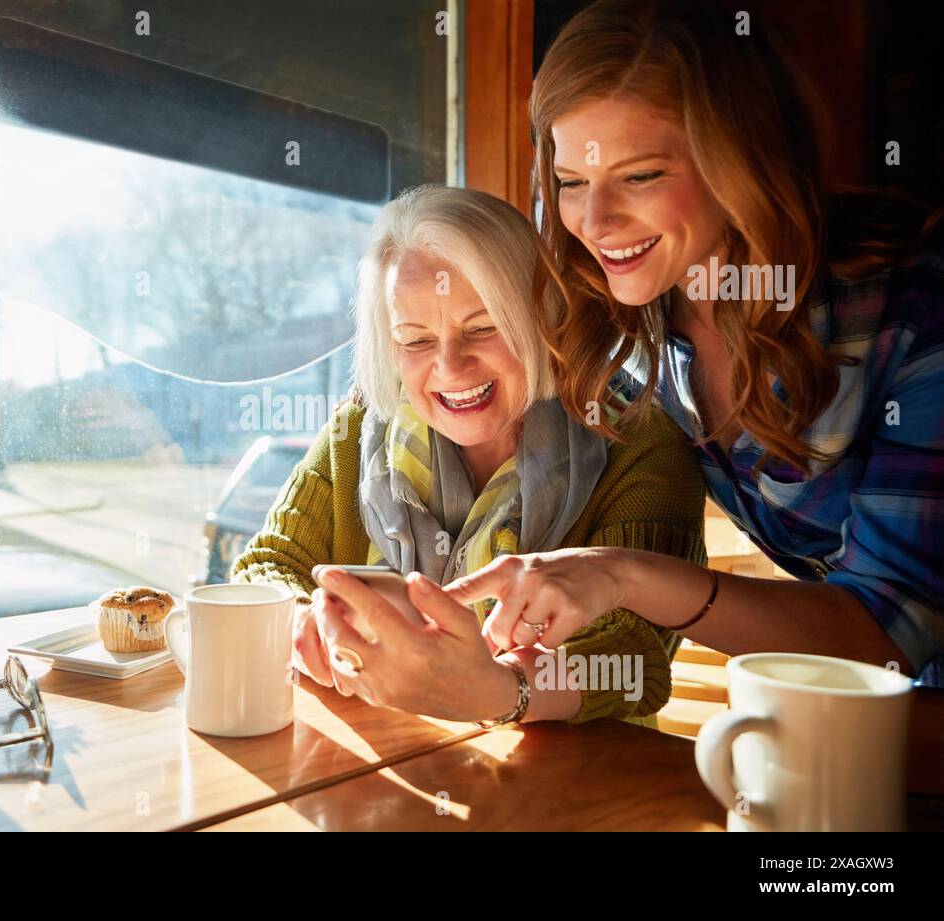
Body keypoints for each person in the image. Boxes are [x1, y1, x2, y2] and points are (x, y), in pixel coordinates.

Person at [442, 0, 944, 686]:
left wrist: (622, 574)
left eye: (641, 175)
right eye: (570, 182)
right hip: (860, 713)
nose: (595, 220)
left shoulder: (914, 311)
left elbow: (887, 634)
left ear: (740, 158)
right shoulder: (640, 330)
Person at [231, 184, 707, 726]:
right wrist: (299, 621)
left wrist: (505, 691)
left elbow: (636, 657)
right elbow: (265, 565)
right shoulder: (357, 428)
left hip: (574, 783)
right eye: (414, 340)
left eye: (483, 328)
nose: (451, 367)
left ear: (542, 317)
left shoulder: (640, 443)